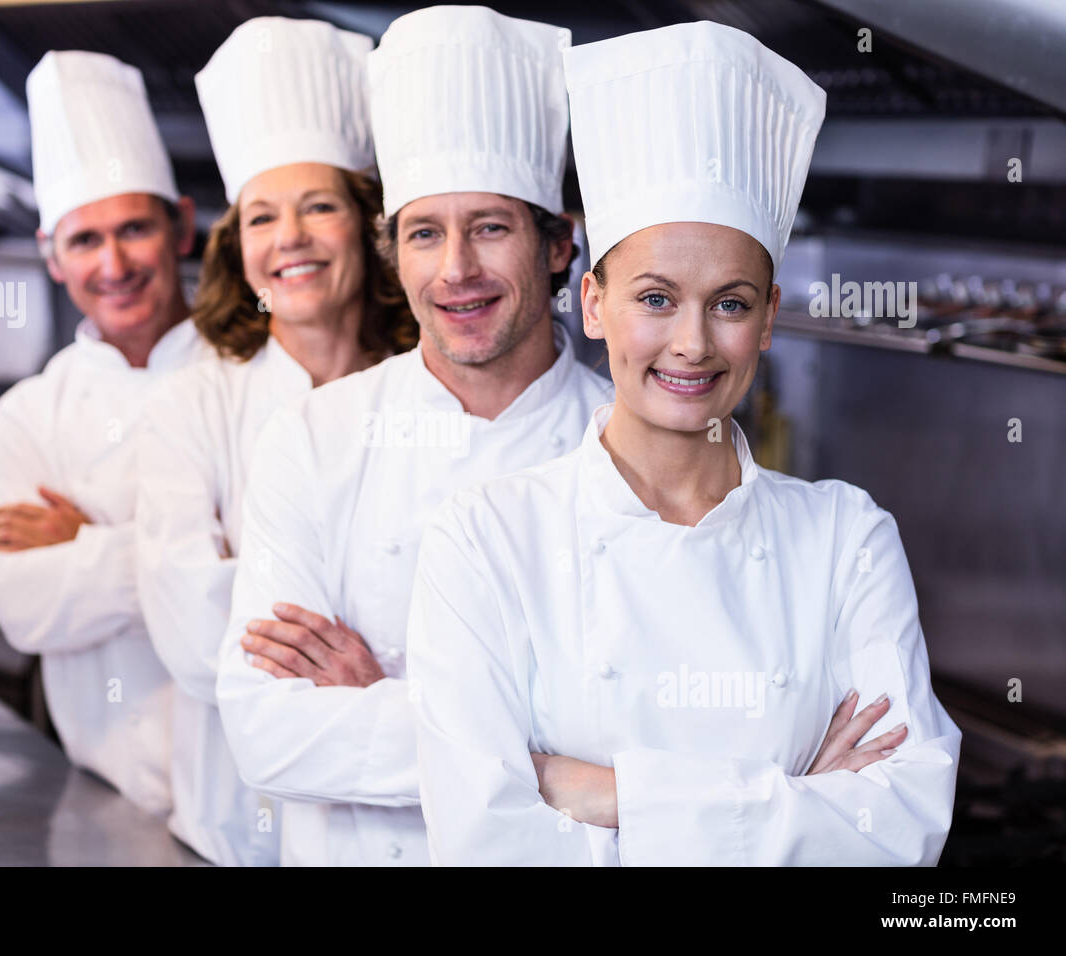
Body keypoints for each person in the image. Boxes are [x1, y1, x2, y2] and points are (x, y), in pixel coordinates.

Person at [406, 20, 962, 865]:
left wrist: (605, 794)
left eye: (730, 304)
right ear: (592, 304)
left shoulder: (847, 537)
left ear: (770, 317)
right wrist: (801, 803)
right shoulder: (486, 537)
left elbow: (903, 829)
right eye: (656, 298)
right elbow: (485, 841)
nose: (693, 343)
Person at [214, 5, 613, 866]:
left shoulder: (629, 450)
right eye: (426, 233)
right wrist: (545, 759)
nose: (457, 270)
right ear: (395, 253)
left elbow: (645, 738)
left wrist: (381, 704)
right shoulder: (316, 436)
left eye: (491, 227)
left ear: (557, 246)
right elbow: (265, 732)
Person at [134, 17, 417, 866]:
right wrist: (380, 648)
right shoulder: (190, 401)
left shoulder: (432, 394)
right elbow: (191, 637)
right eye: (261, 217)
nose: (288, 236)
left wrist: (256, 573)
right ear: (238, 248)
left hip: (405, 829)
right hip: (229, 830)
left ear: (370, 231)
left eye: (318, 206)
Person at [0, 50, 208, 817]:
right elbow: (19, 607)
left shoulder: (252, 378)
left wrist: (87, 546)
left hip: (250, 812)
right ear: (51, 255)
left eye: (134, 228)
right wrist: (185, 561)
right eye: (84, 240)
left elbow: (269, 586)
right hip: (101, 797)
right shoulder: (30, 413)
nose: (114, 263)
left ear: (178, 226)